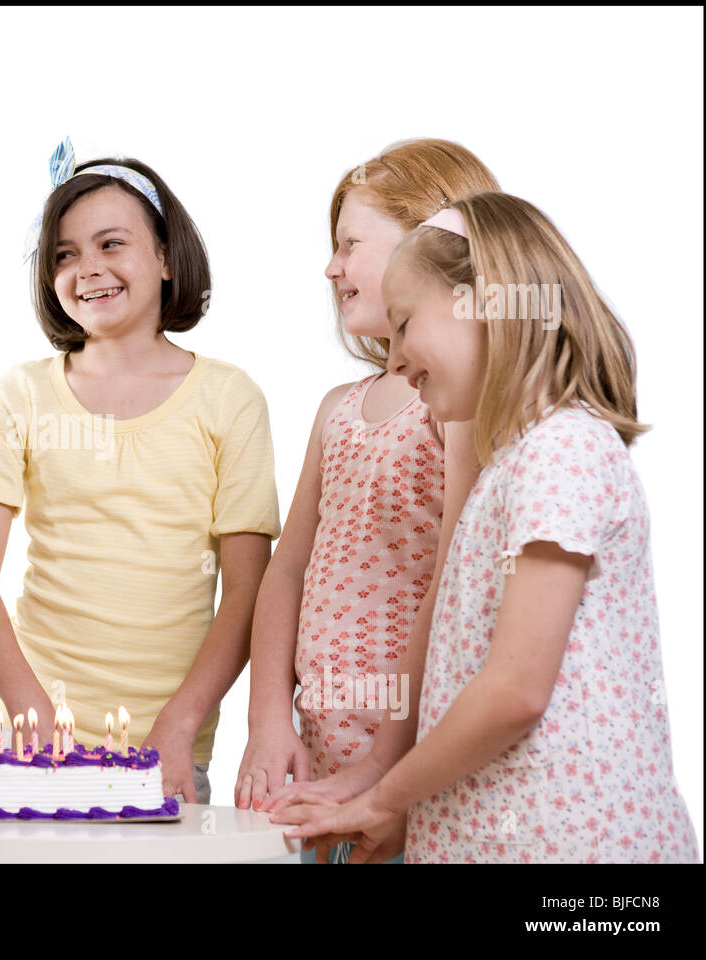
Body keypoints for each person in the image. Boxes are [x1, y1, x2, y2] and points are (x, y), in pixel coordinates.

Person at [278, 193, 700, 863]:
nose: (396, 358)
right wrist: (379, 781)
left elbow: (515, 690)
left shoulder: (564, 450)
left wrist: (386, 798)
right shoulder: (506, 470)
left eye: (406, 321)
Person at [0, 139, 278, 804]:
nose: (87, 268)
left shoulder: (229, 397)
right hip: (27, 752)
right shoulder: (21, 394)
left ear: (163, 256)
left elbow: (248, 593)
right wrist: (30, 715)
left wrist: (180, 723)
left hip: (168, 753)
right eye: (64, 254)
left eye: (110, 244)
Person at [237, 139, 498, 864]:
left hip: (409, 766)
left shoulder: (456, 410)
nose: (331, 266)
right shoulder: (337, 409)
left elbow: (453, 585)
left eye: (350, 243)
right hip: (319, 757)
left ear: (429, 243)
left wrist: (388, 763)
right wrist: (266, 720)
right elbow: (285, 570)